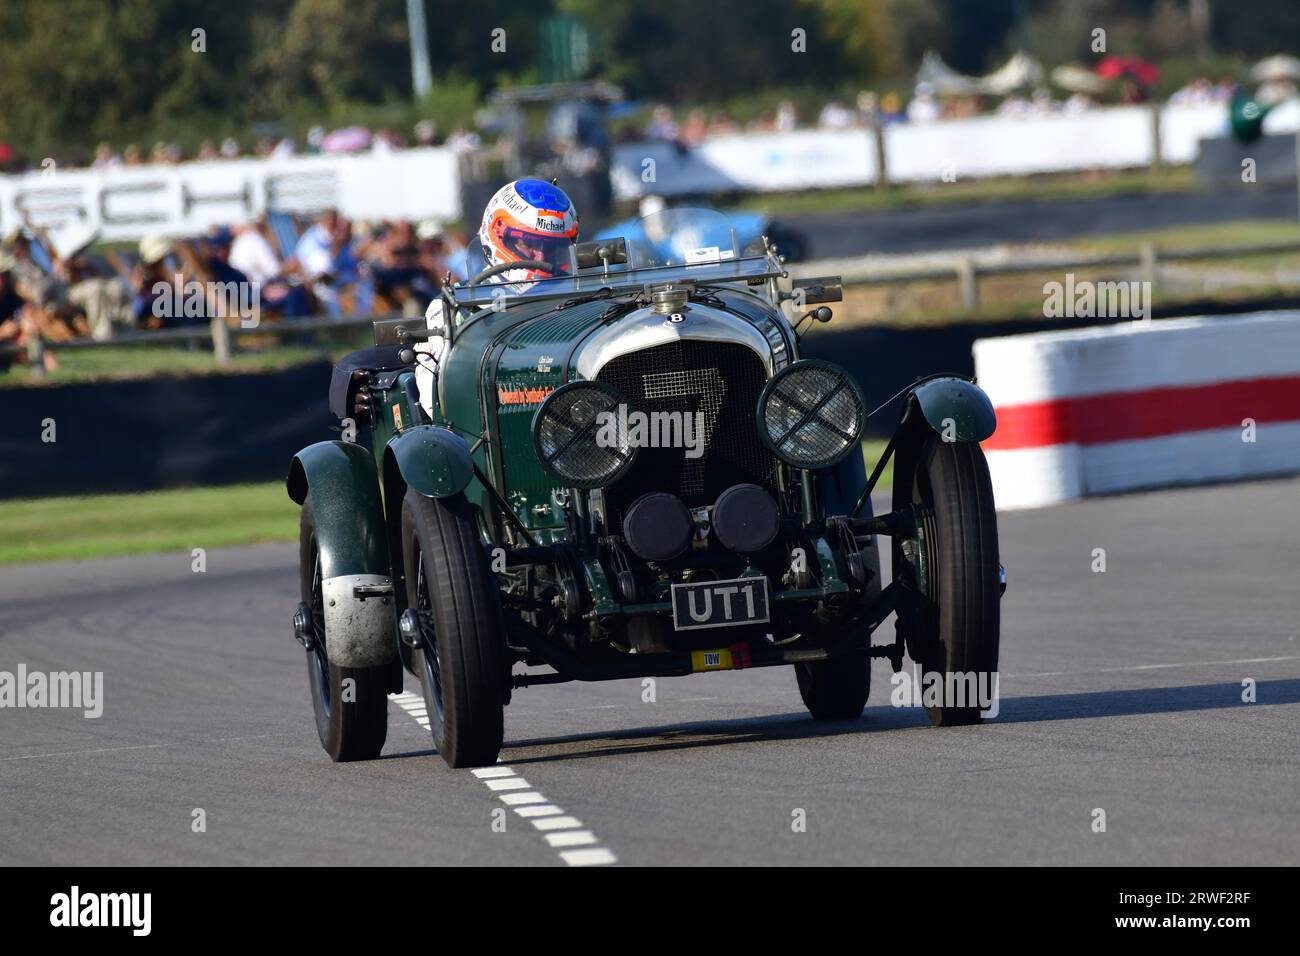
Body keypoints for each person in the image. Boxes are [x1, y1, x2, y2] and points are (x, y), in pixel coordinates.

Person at [413, 178, 579, 419]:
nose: (541, 257)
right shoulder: (456, 308)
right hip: (495, 430)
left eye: (552, 246)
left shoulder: (581, 297)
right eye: (530, 244)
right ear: (499, 234)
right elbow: (437, 404)